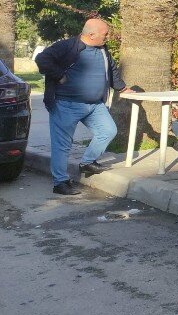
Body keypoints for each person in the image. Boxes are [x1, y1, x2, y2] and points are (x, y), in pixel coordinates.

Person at [35, 18, 132, 196]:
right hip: (66, 105)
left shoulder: (103, 49)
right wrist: (59, 75)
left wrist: (122, 88)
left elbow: (111, 69)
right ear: (91, 34)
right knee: (62, 145)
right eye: (105, 34)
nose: (108, 37)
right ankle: (60, 182)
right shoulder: (67, 46)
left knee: (108, 130)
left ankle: (87, 162)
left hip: (95, 105)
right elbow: (42, 59)